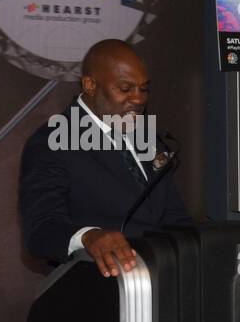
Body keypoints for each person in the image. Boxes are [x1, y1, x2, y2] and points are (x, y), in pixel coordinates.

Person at [18, 39, 192, 277]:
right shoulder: (51, 141)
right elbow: (40, 231)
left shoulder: (148, 136)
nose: (139, 99)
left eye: (143, 88)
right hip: (95, 292)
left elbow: (175, 218)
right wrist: (89, 236)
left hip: (161, 284)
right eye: (125, 88)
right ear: (90, 85)